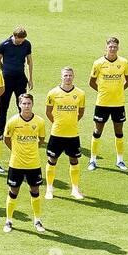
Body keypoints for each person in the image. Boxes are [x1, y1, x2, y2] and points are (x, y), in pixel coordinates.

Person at [3, 93, 48, 233]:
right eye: (24, 103)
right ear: (19, 104)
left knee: (35, 191)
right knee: (13, 192)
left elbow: (41, 140)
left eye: (29, 103)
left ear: (32, 104)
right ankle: (8, 220)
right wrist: (16, 151)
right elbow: (7, 139)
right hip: (16, 163)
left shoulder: (39, 122)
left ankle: (37, 220)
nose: (26, 106)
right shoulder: (13, 122)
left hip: (33, 164)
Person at [88, 37, 128, 171]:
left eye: (115, 47)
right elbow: (91, 82)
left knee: (119, 132)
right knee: (97, 131)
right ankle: (93, 160)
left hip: (118, 103)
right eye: (110, 46)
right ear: (106, 47)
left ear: (118, 48)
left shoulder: (124, 62)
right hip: (102, 103)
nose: (112, 49)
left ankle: (120, 160)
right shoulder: (98, 63)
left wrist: (118, 91)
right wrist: (102, 92)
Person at [45, 67, 86, 200]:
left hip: (73, 134)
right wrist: (58, 123)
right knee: (52, 160)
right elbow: (48, 112)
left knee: (74, 160)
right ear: (61, 77)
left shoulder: (80, 94)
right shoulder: (53, 93)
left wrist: (71, 122)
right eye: (65, 75)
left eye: (70, 75)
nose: (68, 78)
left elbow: (80, 113)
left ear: (73, 77)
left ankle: (75, 189)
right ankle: (49, 189)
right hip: (56, 133)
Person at [0, 26, 34, 119]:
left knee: (22, 106)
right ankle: (0, 131)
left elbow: (29, 61)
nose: (21, 42)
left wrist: (30, 78)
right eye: (19, 40)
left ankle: (23, 128)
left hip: (20, 79)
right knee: (3, 106)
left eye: (23, 40)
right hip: (6, 80)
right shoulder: (4, 45)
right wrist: (4, 70)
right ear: (14, 36)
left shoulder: (27, 44)